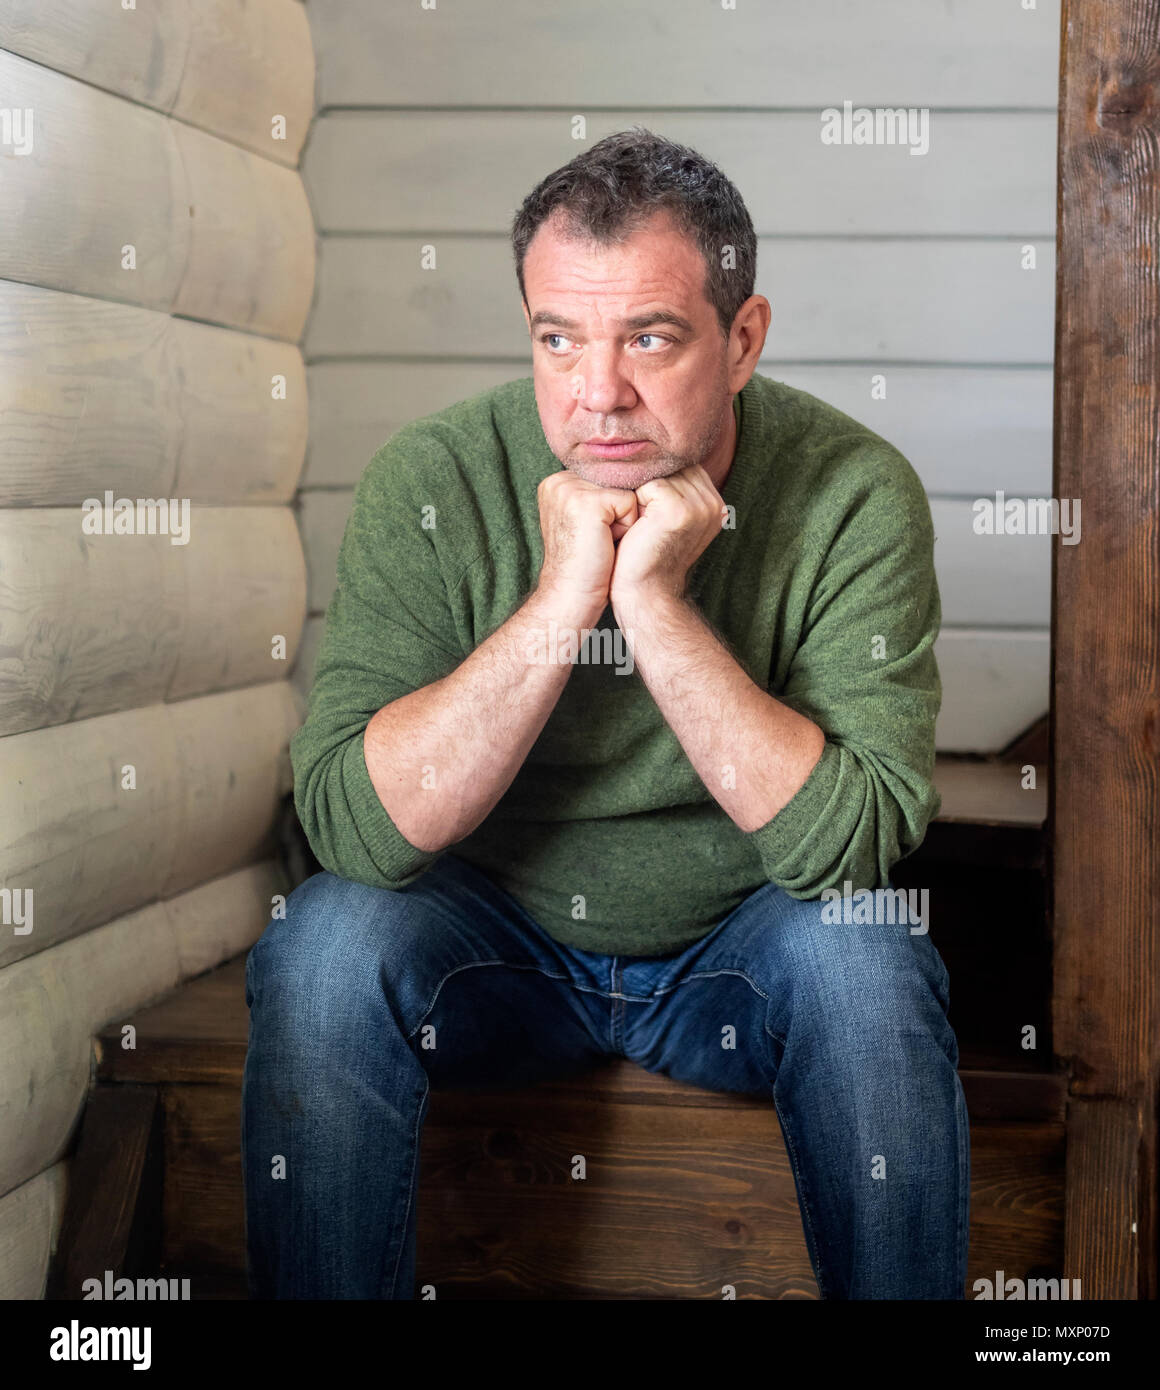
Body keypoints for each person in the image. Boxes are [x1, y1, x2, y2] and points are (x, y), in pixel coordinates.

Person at [242, 127, 968, 1300]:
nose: (597, 395)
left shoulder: (851, 492)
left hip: (738, 956)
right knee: (325, 943)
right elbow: (358, 831)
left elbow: (849, 844)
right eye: (556, 339)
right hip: (493, 958)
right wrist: (563, 595)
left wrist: (655, 605)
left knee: (868, 958)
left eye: (648, 336)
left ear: (742, 340)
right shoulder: (436, 478)